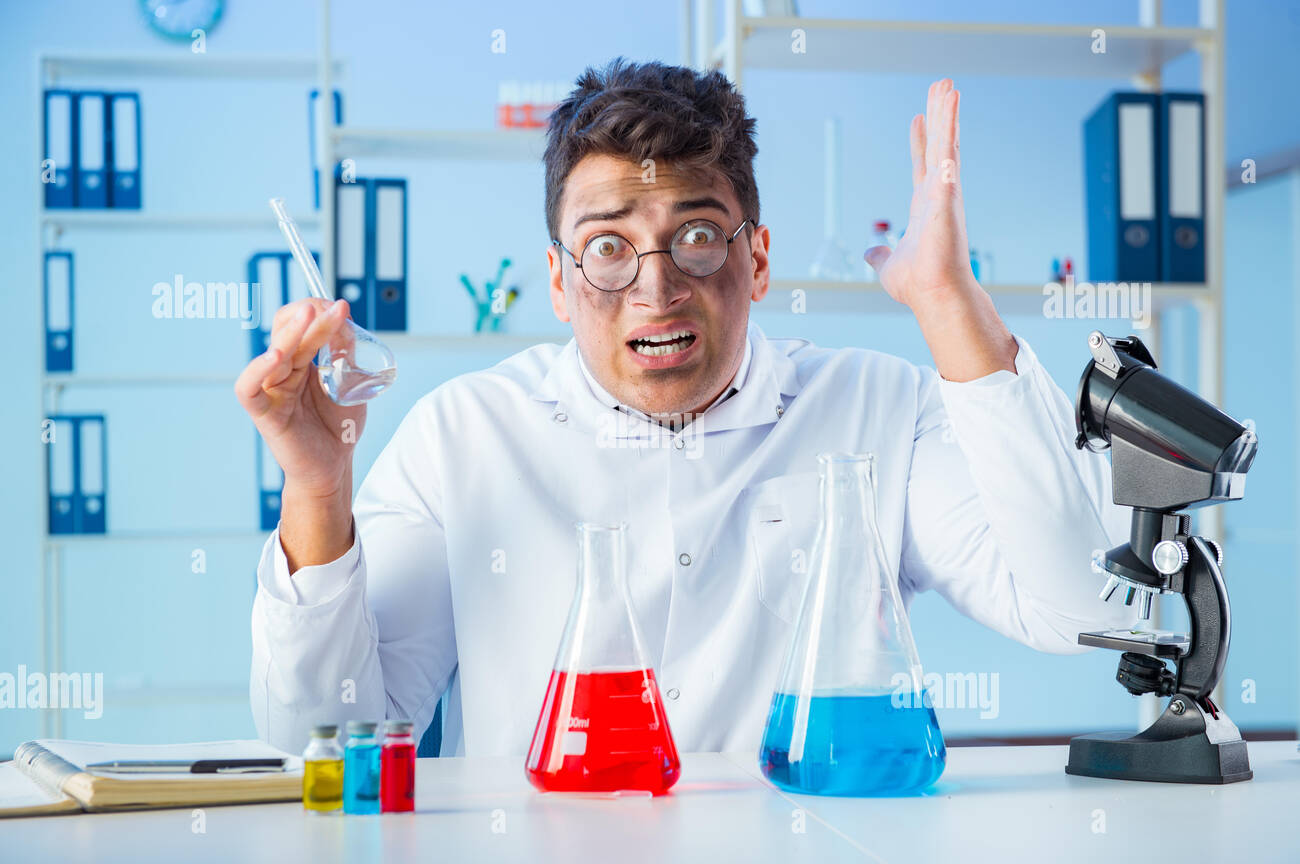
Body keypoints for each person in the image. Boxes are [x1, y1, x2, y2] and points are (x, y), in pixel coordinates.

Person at [236, 58, 1134, 758]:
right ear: (558, 281)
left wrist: (950, 302)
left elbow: (1078, 611)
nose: (655, 287)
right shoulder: (463, 434)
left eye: (697, 236)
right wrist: (316, 491)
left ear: (759, 259)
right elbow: (321, 738)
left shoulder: (880, 408)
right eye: (608, 247)